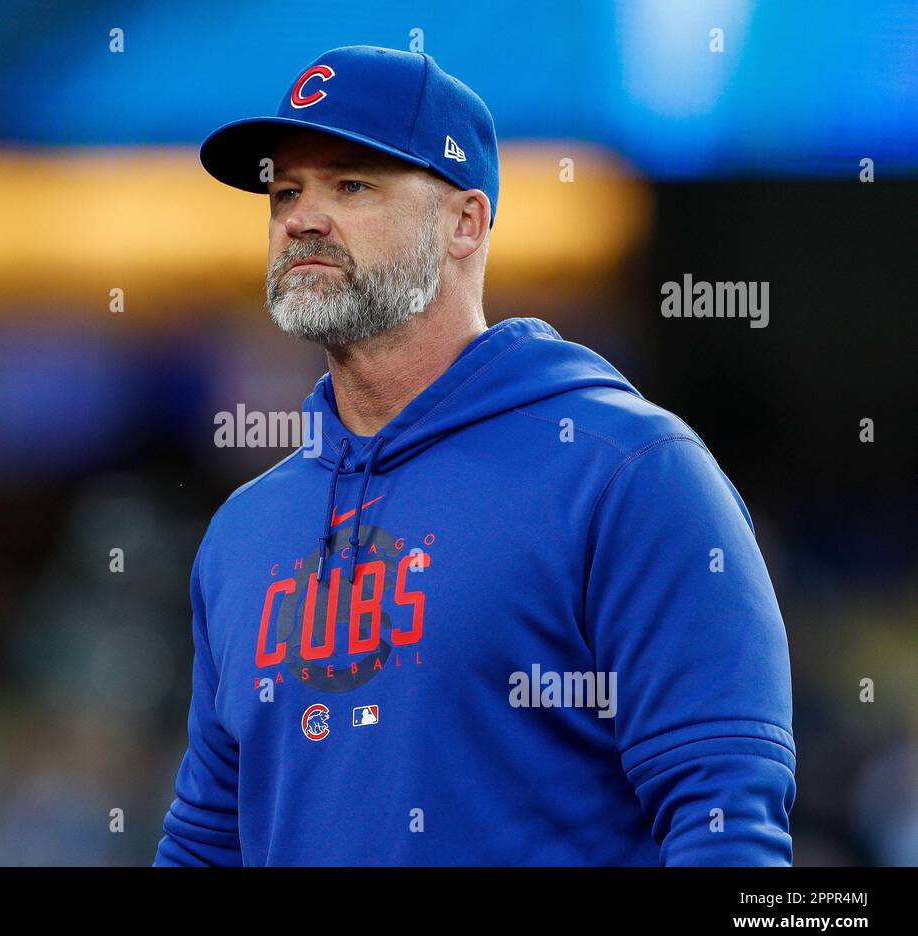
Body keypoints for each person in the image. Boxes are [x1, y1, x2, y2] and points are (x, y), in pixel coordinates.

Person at [155, 45, 795, 865]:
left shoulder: (625, 472)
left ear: (466, 222)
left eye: (351, 185)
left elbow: (723, 825)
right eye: (285, 191)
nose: (302, 218)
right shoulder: (245, 530)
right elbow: (209, 842)